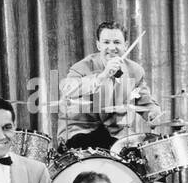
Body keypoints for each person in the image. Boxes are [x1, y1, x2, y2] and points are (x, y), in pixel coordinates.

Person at [58, 20, 161, 151]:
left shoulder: (135, 70)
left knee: (141, 155)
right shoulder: (81, 67)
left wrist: (152, 114)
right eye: (106, 42)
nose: (112, 48)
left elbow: (145, 103)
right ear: (98, 45)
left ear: (126, 45)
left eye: (117, 42)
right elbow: (68, 90)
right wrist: (103, 75)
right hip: (82, 133)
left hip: (118, 136)